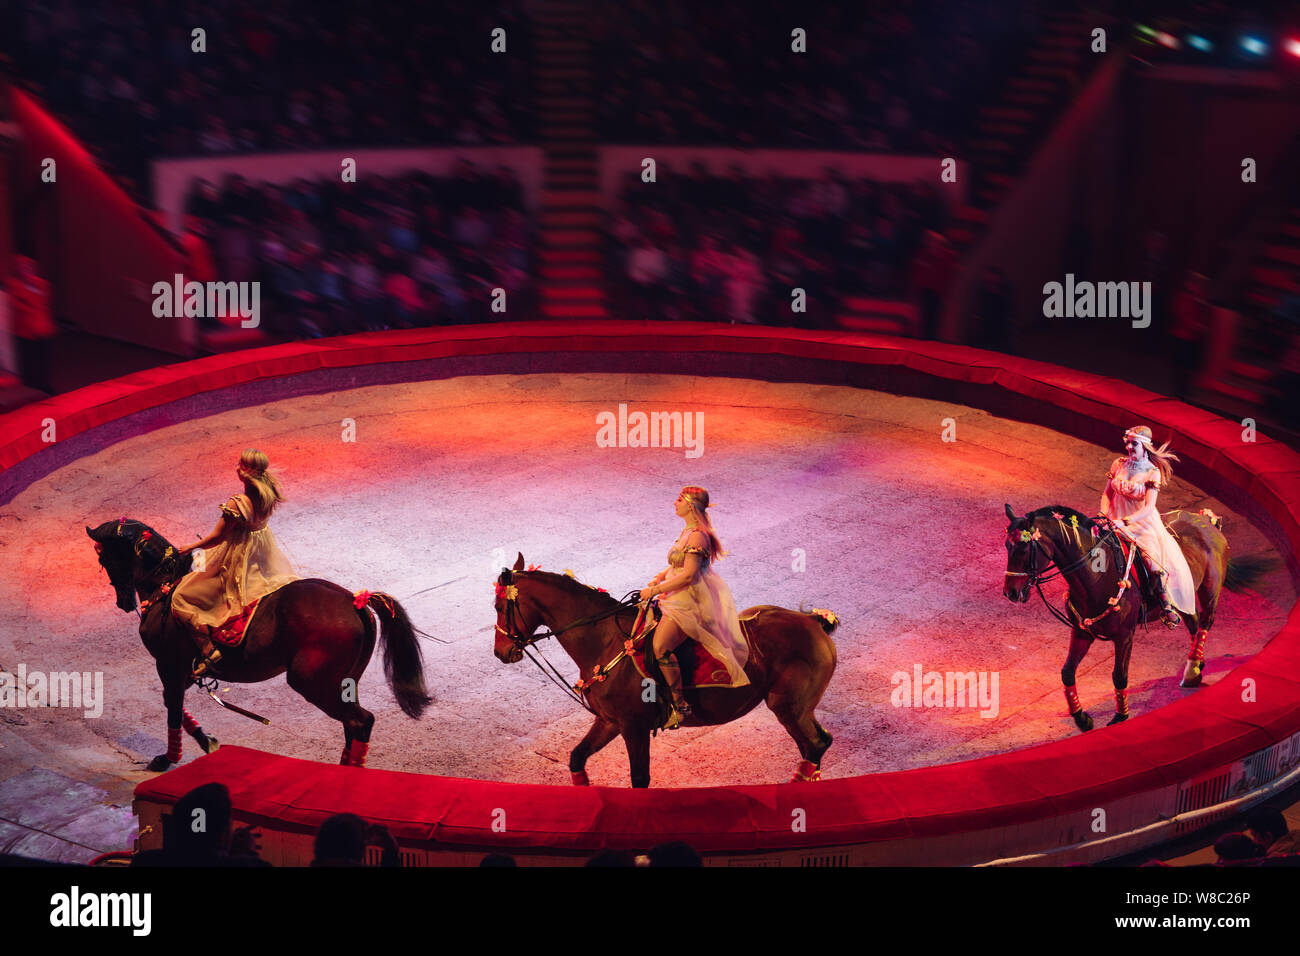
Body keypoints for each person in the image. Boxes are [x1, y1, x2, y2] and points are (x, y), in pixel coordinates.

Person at [171, 449, 300, 675]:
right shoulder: (269, 491)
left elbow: (217, 538)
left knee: (182, 596)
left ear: (244, 471)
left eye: (239, 463)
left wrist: (190, 547)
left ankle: (209, 650)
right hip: (262, 549)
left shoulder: (237, 503)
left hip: (240, 551)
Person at [640, 486, 749, 729]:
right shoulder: (687, 531)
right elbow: (678, 565)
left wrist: (656, 590)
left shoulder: (698, 535)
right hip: (674, 591)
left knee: (660, 647)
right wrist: (660, 576)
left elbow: (689, 575)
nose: (674, 502)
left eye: (679, 499)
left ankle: (680, 705)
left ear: (690, 504)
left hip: (689, 599)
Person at [1099, 426, 1196, 628]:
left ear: (1144, 446)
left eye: (1134, 443)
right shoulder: (1119, 464)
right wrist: (1104, 515)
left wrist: (1124, 522)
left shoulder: (1152, 473)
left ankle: (1165, 605)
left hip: (1140, 523)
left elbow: (1148, 507)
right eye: (1128, 442)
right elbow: (1107, 494)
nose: (1129, 447)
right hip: (1113, 518)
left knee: (1151, 560)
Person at [7, 255, 55, 393]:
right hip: (25, 330)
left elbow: (44, 304)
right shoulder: (14, 286)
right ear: (18, 270)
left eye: (28, 267)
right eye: (22, 267)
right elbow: (19, 306)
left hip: (43, 328)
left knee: (43, 359)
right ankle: (30, 387)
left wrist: (31, 290)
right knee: (28, 360)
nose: (26, 270)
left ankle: (43, 385)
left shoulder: (43, 284)